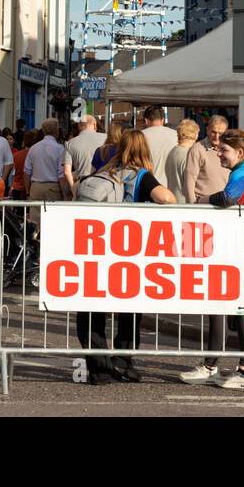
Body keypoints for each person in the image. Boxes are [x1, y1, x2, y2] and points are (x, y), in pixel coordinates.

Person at [76, 129, 173, 385]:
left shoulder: (104, 172)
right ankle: (122, 361)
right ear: (144, 150)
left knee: (91, 307)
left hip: (96, 247)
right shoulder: (141, 175)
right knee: (130, 306)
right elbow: (166, 198)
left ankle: (98, 368)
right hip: (128, 251)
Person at [179, 128, 244, 391]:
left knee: (240, 306)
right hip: (237, 241)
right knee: (219, 302)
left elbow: (227, 198)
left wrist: (202, 200)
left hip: (243, 242)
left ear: (239, 152)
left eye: (224, 150)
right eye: (218, 149)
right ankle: (211, 365)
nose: (219, 154)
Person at [25, 118, 68, 232]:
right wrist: (65, 195)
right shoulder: (59, 149)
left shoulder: (34, 148)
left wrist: (28, 191)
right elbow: (61, 174)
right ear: (57, 132)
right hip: (53, 188)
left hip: (36, 186)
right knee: (53, 219)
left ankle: (37, 244)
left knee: (35, 221)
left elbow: (27, 172)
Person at [183, 114, 229, 204]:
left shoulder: (230, 150)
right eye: (213, 132)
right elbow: (189, 182)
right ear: (207, 130)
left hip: (225, 205)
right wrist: (194, 207)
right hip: (204, 206)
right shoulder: (197, 149)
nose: (216, 137)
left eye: (220, 133)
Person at [62, 114, 107, 194]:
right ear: (94, 126)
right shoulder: (107, 139)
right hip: (104, 185)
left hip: (82, 186)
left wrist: (73, 189)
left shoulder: (70, 143)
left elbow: (66, 172)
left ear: (79, 127)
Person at [163, 120, 198, 204]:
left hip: (173, 201)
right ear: (195, 135)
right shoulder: (188, 156)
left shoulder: (172, 152)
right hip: (185, 204)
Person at [140, 106, 176, 180]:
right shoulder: (176, 134)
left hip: (148, 184)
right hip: (171, 185)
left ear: (146, 120)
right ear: (163, 120)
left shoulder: (140, 136)